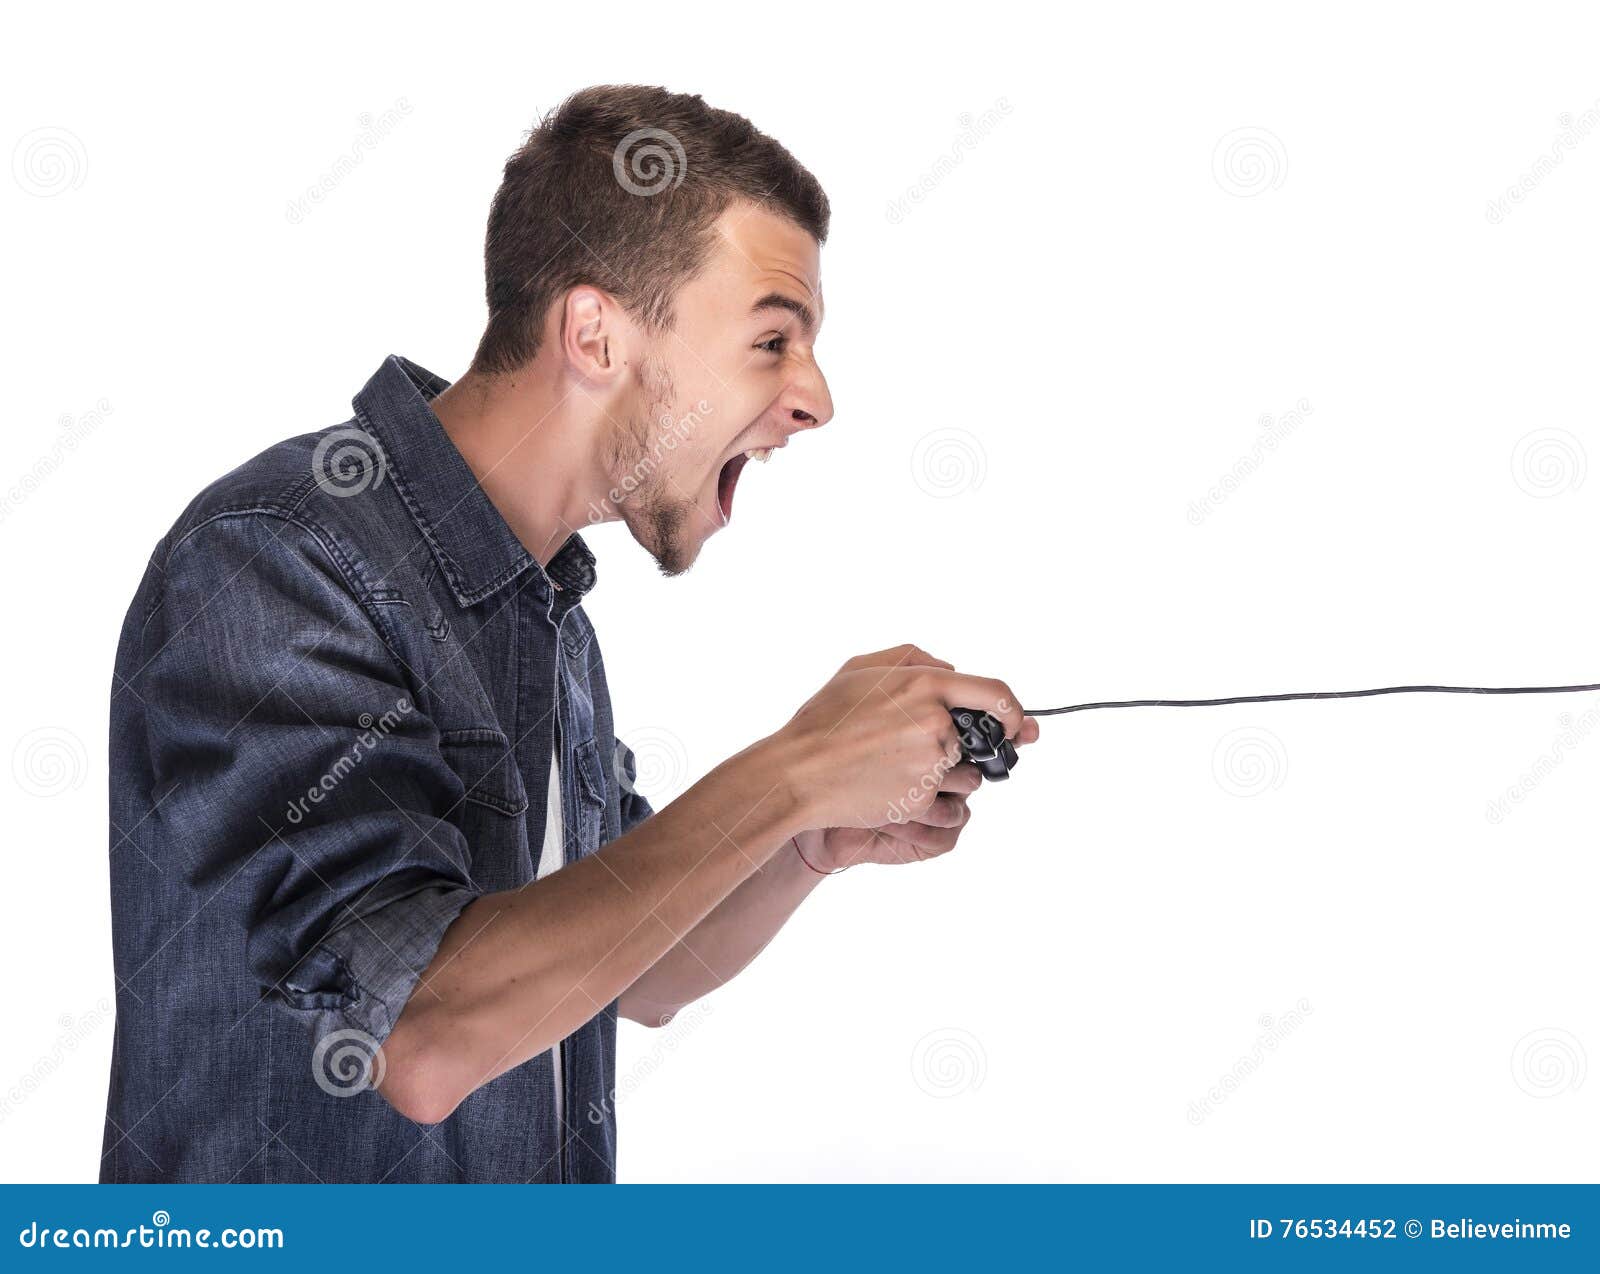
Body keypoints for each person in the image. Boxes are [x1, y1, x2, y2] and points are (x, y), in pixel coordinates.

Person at [102, 84, 1036, 1184]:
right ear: (595, 333)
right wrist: (794, 772)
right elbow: (419, 1035)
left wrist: (807, 841)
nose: (814, 397)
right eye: (772, 337)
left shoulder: (544, 615)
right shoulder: (276, 555)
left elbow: (637, 965)